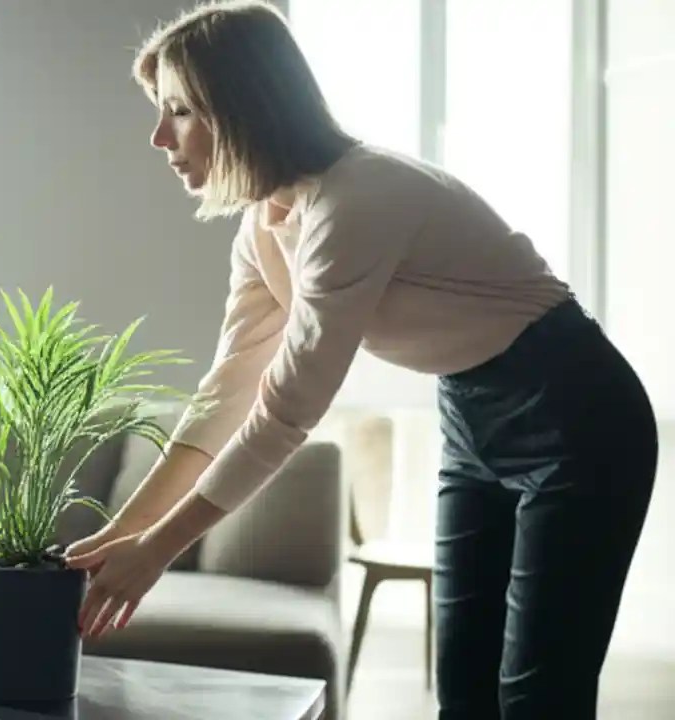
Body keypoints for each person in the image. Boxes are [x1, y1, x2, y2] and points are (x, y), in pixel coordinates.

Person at [62, 2, 658, 718]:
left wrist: (157, 552)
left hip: (577, 414)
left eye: (180, 110)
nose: (160, 137)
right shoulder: (266, 225)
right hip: (470, 418)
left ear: (242, 103)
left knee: (539, 697)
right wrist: (123, 533)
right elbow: (227, 393)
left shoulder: (357, 201)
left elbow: (285, 413)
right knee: (464, 693)